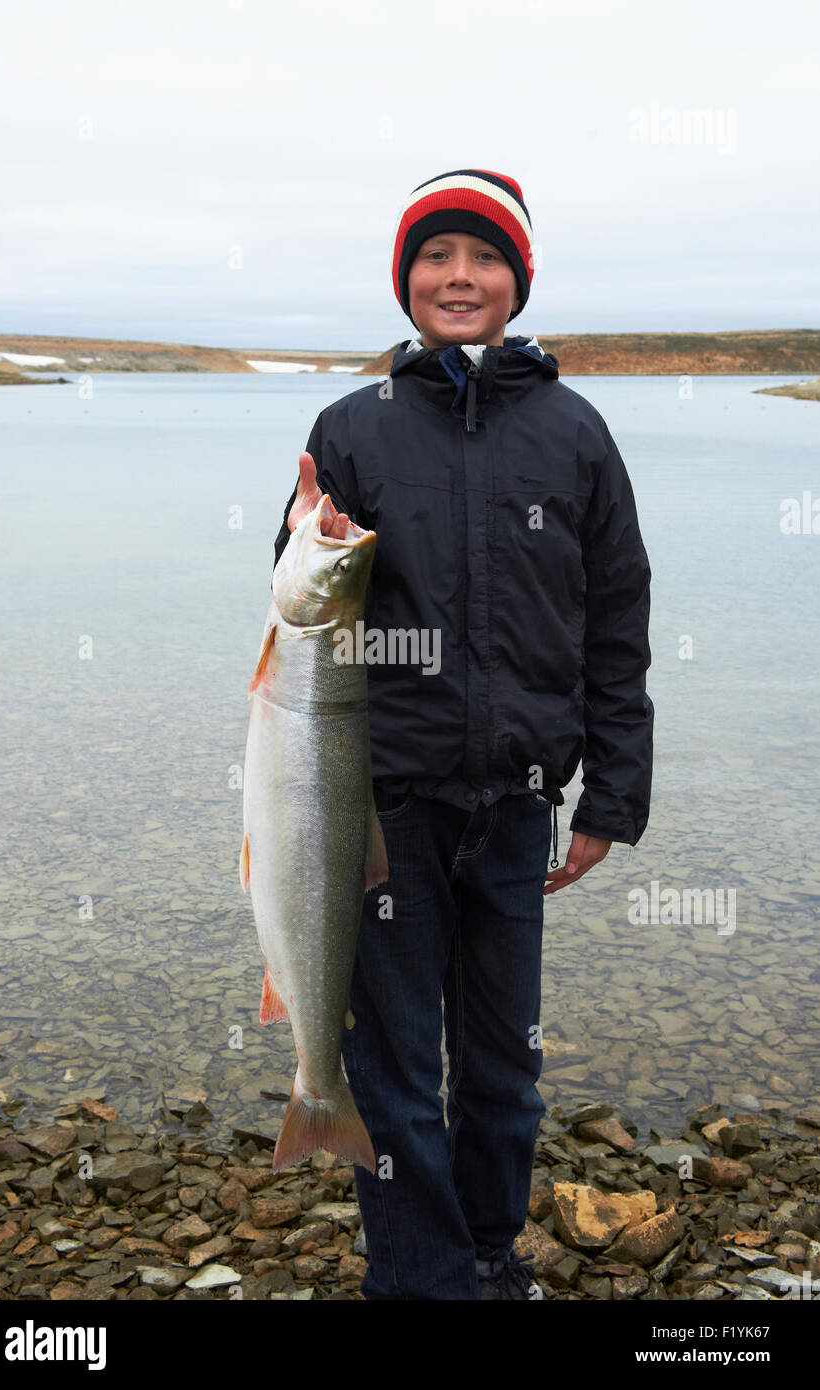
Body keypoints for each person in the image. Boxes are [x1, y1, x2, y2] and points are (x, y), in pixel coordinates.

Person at [272, 168, 653, 1300]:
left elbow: (618, 621)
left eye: (483, 258)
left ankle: (490, 1254)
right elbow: (298, 608)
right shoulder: (352, 427)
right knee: (389, 1073)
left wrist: (613, 798)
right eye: (435, 256)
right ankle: (424, 1279)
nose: (458, 276)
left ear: (517, 280)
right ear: (405, 282)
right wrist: (304, 533)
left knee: (504, 1073)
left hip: (517, 806)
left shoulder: (576, 433)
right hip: (376, 803)